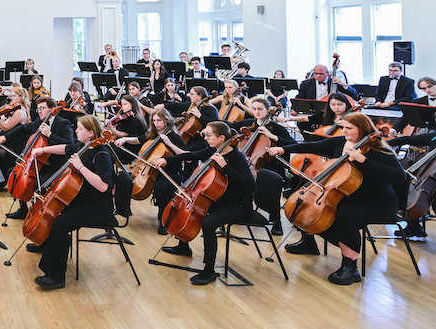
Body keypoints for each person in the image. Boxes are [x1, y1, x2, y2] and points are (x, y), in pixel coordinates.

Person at [273, 113, 405, 284]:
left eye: (349, 128)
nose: (344, 131)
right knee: (316, 212)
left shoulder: (378, 150)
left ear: (363, 129)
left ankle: (350, 268)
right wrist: (284, 149)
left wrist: (364, 160)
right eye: (343, 127)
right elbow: (313, 146)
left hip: (379, 203)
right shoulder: (340, 142)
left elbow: (399, 177)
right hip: (350, 197)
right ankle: (314, 243)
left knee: (343, 215)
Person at [154, 121, 255, 285]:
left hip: (238, 204)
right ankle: (183, 246)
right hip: (220, 199)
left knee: (208, 223)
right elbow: (191, 155)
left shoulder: (237, 158)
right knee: (196, 208)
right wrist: (167, 161)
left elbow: (250, 185)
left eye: (209, 135)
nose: (205, 137)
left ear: (222, 138)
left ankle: (209, 271)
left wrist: (226, 167)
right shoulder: (213, 150)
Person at [24, 115, 115, 289]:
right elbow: (65, 148)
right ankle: (45, 244)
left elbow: (103, 186)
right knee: (54, 213)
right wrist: (42, 150)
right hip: (81, 199)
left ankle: (56, 276)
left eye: (79, 129)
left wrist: (80, 166)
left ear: (90, 132)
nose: (76, 131)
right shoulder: (82, 146)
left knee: (60, 224)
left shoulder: (102, 153)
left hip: (97, 207)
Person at [0, 96, 74, 219]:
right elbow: (22, 129)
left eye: (42, 108)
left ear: (52, 109)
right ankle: (23, 210)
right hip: (37, 164)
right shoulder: (39, 122)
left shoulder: (63, 124)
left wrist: (50, 135)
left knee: (41, 184)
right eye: (38, 109)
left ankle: (41, 214)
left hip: (55, 166)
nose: (39, 112)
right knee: (14, 174)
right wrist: (5, 137)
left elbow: (69, 145)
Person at [229, 96, 296, 235]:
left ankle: (276, 222)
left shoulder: (276, 128)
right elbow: (227, 127)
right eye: (254, 109)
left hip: (271, 165)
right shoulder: (248, 124)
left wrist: (273, 137)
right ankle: (243, 211)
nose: (257, 112)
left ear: (268, 110)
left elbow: (293, 145)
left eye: (260, 109)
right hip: (250, 164)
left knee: (272, 184)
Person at [138, 109, 188, 234]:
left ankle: (164, 219)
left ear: (166, 120)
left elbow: (187, 157)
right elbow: (138, 140)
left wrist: (169, 143)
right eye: (154, 120)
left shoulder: (174, 137)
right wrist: (124, 140)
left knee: (160, 188)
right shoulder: (151, 135)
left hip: (171, 172)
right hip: (152, 171)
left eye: (159, 120)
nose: (156, 123)